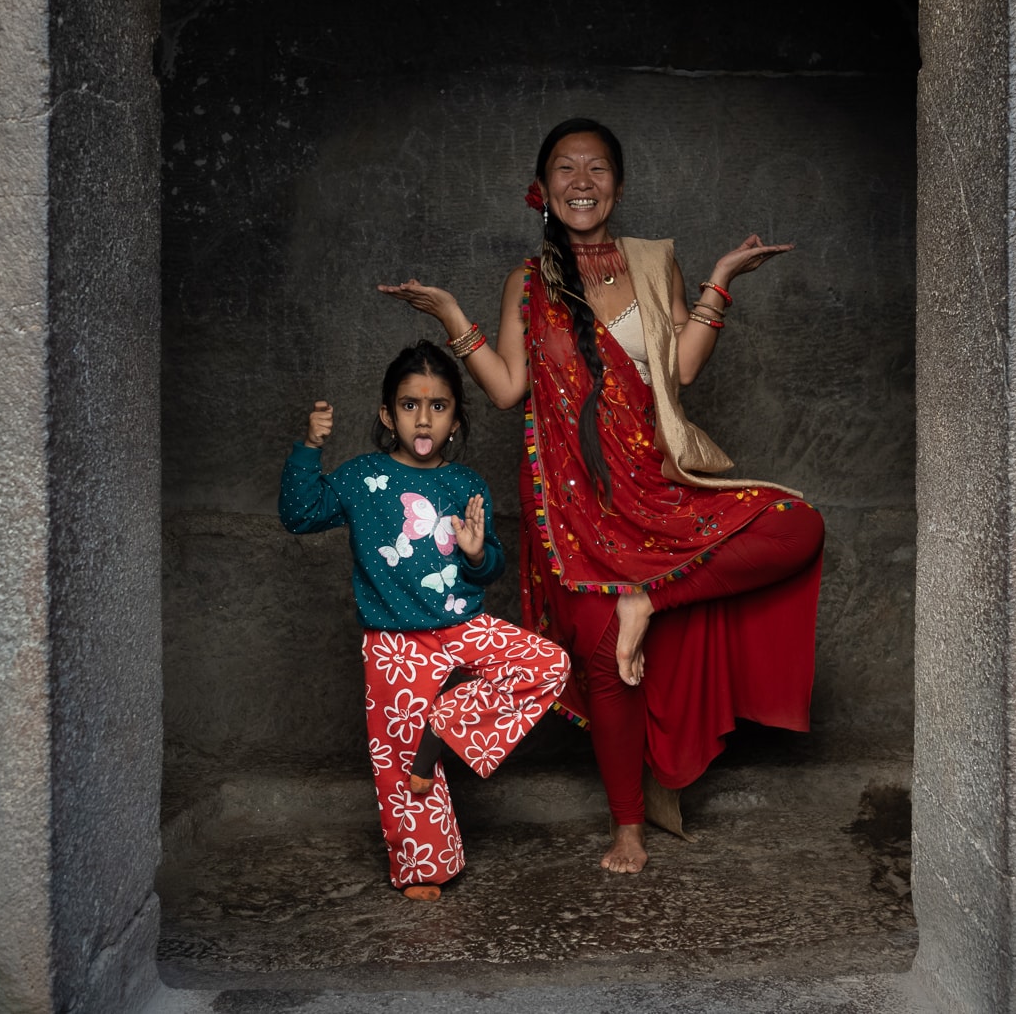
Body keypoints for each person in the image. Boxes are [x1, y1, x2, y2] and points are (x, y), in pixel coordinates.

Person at [378, 118, 825, 875]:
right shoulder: (528, 280)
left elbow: (676, 370)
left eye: (596, 167)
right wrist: (455, 317)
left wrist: (718, 278)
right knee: (599, 655)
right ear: (543, 186)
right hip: (576, 508)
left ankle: (646, 600)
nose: (581, 179)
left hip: (656, 488)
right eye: (564, 166)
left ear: (617, 185)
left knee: (796, 526)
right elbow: (510, 389)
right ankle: (628, 827)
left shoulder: (655, 264)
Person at [278, 340, 571, 900]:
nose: (423, 416)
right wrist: (309, 448)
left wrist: (478, 553)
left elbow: (492, 568)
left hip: (462, 626)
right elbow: (298, 515)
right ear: (389, 415)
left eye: (438, 406)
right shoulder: (360, 478)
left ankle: (443, 727)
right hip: (394, 642)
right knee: (396, 760)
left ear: (456, 418)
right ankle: (423, 868)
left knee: (549, 664)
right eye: (410, 404)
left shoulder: (466, 485)